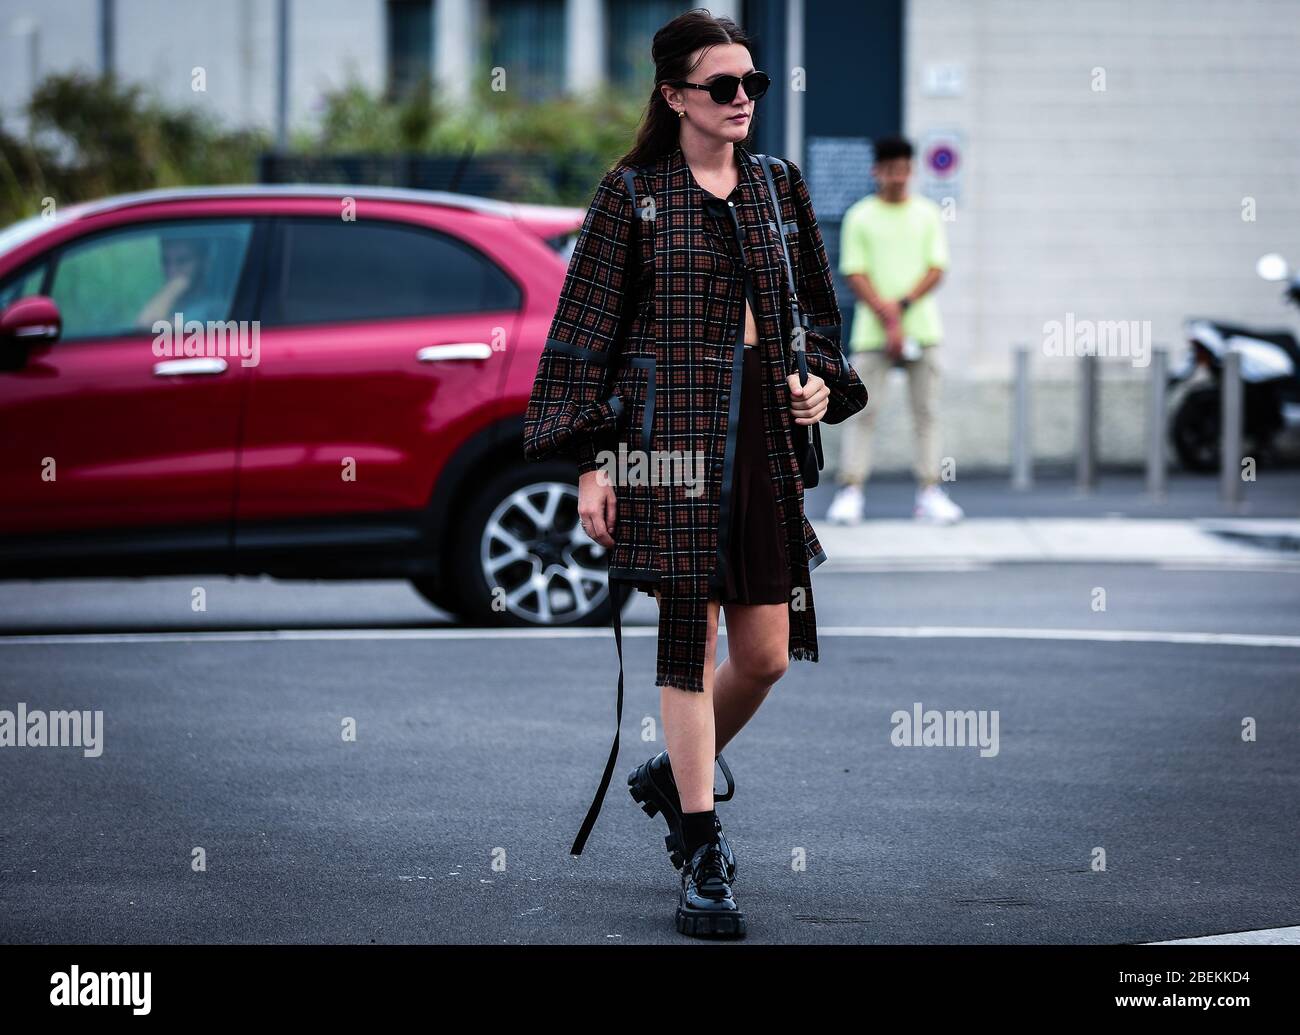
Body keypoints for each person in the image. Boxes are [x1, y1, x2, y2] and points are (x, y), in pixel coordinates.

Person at [522, 9, 867, 939]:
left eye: (750, 82)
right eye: (723, 86)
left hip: (762, 436)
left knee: (763, 653)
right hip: (666, 440)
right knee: (688, 635)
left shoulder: (777, 186)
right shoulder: (630, 194)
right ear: (674, 95)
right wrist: (597, 461)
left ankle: (669, 778)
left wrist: (817, 385)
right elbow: (581, 339)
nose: (744, 98)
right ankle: (704, 852)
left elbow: (821, 323)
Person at [826, 135, 964, 525]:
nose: (897, 177)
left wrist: (899, 311)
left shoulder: (927, 213)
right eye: (890, 169)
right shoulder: (861, 215)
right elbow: (855, 271)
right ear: (877, 171)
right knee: (862, 411)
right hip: (873, 334)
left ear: (911, 170)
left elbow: (936, 268)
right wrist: (888, 320)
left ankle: (930, 491)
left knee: (927, 413)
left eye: (903, 169)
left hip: (922, 330)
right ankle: (851, 490)